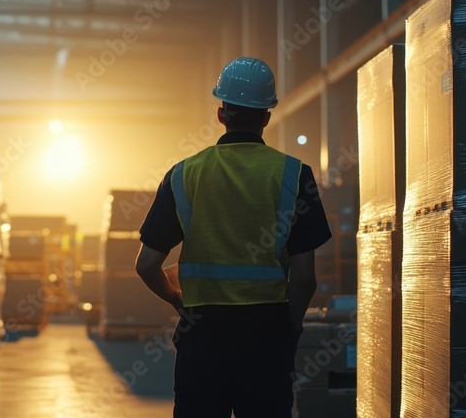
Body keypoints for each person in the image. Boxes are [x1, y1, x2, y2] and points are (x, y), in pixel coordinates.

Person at [135, 57, 332, 417]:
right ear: (267, 116)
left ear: (221, 115)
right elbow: (304, 278)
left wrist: (177, 300)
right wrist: (289, 326)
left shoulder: (183, 175)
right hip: (267, 338)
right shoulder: (294, 175)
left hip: (203, 336)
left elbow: (147, 265)